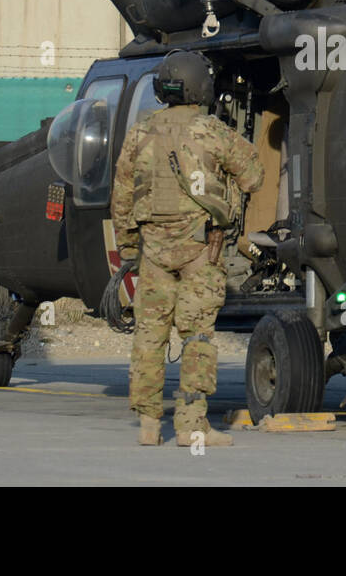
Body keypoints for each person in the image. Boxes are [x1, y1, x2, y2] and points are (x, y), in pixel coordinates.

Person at [111, 51, 263, 447]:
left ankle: (147, 424)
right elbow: (254, 175)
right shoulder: (211, 131)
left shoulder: (140, 132)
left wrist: (129, 250)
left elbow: (122, 197)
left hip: (153, 252)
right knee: (196, 338)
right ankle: (192, 426)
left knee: (149, 335)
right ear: (201, 87)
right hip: (201, 249)